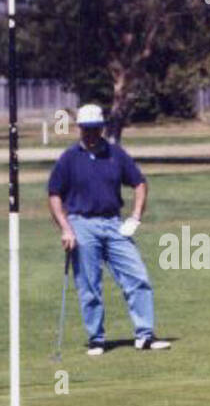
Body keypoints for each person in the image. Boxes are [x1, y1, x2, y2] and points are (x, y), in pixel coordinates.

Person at [48, 103, 169, 356]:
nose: (91, 134)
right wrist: (66, 229)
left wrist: (135, 217)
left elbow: (139, 183)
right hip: (81, 224)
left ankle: (145, 336)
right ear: (79, 128)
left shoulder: (116, 154)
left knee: (138, 277)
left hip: (114, 224)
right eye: (86, 129)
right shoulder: (69, 158)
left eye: (95, 129)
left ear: (101, 128)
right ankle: (96, 339)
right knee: (89, 285)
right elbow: (54, 195)